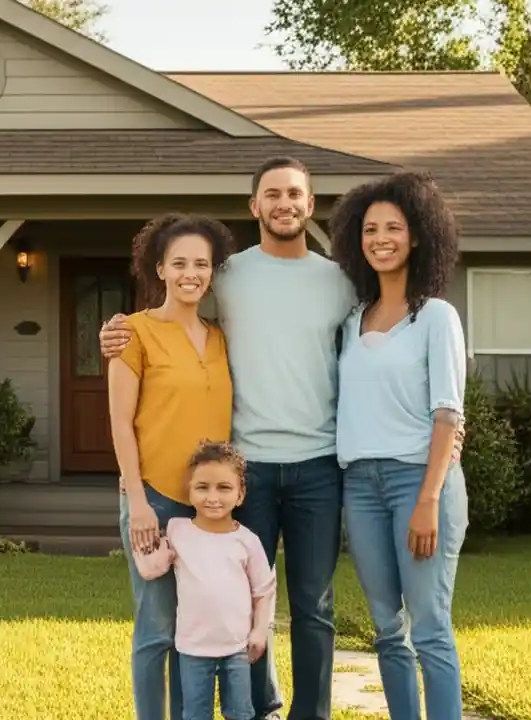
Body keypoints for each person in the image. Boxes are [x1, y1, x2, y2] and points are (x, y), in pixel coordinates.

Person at [103, 157, 354, 720]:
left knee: (312, 605)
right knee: (227, 601)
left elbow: (380, 337)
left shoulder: (337, 280)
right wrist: (113, 331)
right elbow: (152, 336)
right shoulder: (229, 275)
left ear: (311, 205)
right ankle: (256, 704)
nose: (284, 203)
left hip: (317, 465)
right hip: (244, 474)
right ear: (254, 206)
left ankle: (310, 714)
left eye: (295, 194)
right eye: (272, 193)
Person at [328, 170, 469, 720]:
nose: (380, 238)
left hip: (420, 482)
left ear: (417, 237)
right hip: (359, 486)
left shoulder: (436, 317)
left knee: (429, 628)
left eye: (394, 227)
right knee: (387, 627)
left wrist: (429, 499)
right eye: (369, 229)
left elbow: (448, 414)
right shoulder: (350, 321)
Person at [108, 212, 237, 720]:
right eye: (179, 262)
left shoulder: (222, 338)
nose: (191, 273)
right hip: (156, 500)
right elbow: (120, 422)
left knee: (197, 632)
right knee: (157, 628)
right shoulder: (132, 333)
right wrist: (138, 503)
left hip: (210, 509)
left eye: (201, 264)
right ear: (158, 269)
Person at [133, 440, 277, 720]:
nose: (213, 497)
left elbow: (263, 591)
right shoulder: (177, 530)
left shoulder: (247, 541)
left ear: (240, 494)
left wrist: (260, 631)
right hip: (192, 649)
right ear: (189, 490)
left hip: (237, 648)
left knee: (240, 713)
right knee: (196, 714)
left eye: (224, 488)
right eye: (203, 487)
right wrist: (140, 533)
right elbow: (150, 569)